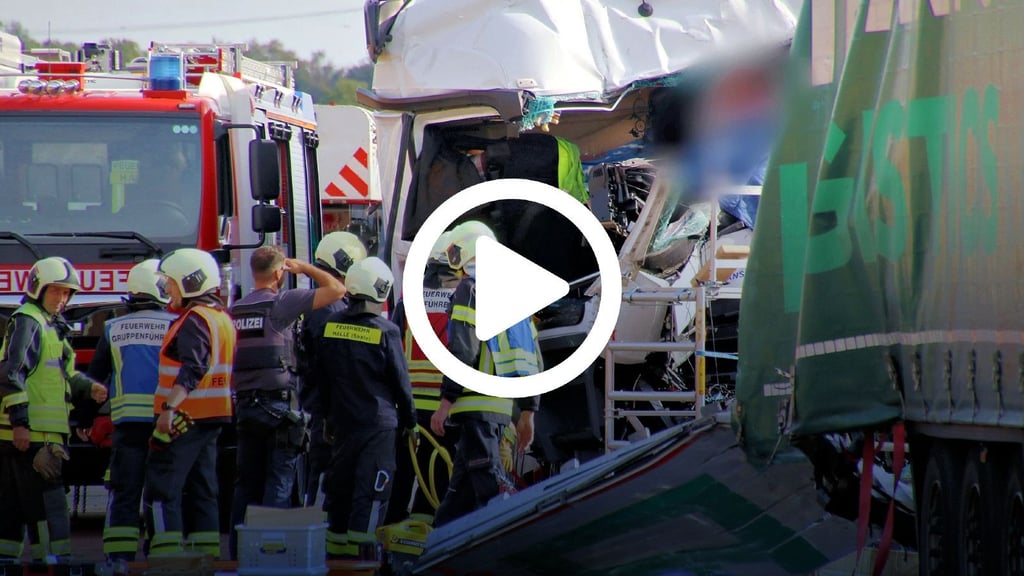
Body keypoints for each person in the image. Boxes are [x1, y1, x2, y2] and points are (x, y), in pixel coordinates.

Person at [227, 245, 347, 559]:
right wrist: (306, 268)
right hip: (278, 410)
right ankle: (269, 554)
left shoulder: (236, 309)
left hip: (245, 408)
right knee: (278, 482)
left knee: (245, 485)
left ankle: (238, 554)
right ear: (280, 272)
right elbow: (336, 290)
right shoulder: (281, 303)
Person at [429, 221, 542, 527]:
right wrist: (528, 412)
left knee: (490, 490)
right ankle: (434, 553)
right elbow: (531, 355)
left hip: (475, 405)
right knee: (459, 496)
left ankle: (511, 544)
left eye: (454, 253)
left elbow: (463, 350)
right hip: (501, 408)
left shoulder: (470, 289)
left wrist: (445, 402)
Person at [0, 256, 108, 562]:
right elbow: (11, 374)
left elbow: (60, 376)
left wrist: (88, 388)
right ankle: (53, 564)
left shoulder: (47, 326)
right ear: (38, 289)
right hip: (32, 435)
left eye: (67, 293)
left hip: (29, 433)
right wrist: (20, 424)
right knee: (47, 507)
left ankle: (9, 562)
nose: (62, 299)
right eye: (56, 291)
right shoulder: (30, 321)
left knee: (14, 506)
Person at [315, 257, 415, 560]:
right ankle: (364, 559)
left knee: (340, 489)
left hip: (343, 423)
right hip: (378, 424)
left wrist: (327, 419)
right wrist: (411, 421)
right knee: (371, 492)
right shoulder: (386, 331)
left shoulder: (331, 326)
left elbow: (323, 377)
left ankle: (335, 557)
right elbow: (400, 381)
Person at [144, 248, 237, 558]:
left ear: (190, 283)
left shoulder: (194, 320)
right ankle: (205, 557)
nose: (167, 290)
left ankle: (165, 557)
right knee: (203, 490)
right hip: (212, 415)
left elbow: (193, 368)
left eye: (170, 283)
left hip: (185, 417)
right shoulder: (221, 317)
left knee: (163, 488)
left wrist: (169, 409)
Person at [87, 259, 178, 562]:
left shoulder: (112, 327)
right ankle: (163, 557)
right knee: (161, 493)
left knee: (124, 492)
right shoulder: (174, 324)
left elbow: (95, 381)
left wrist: (84, 419)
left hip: (126, 427)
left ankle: (119, 559)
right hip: (164, 423)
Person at [385, 231, 461, 525]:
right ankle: (425, 535)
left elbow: (392, 345)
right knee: (438, 474)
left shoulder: (410, 295)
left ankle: (392, 535)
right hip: (445, 403)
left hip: (409, 404)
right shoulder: (464, 293)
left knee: (403, 473)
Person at [295, 232, 368, 507]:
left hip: (318, 405)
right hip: (329, 411)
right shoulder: (331, 309)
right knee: (326, 476)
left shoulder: (318, 302)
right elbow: (333, 366)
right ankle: (319, 535)